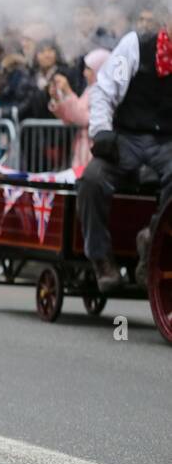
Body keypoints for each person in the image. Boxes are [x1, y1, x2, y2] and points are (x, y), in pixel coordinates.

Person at [78, 18, 172, 293]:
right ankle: (100, 258)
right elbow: (104, 92)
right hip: (126, 138)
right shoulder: (135, 45)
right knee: (92, 179)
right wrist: (102, 132)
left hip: (166, 143)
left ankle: (152, 241)